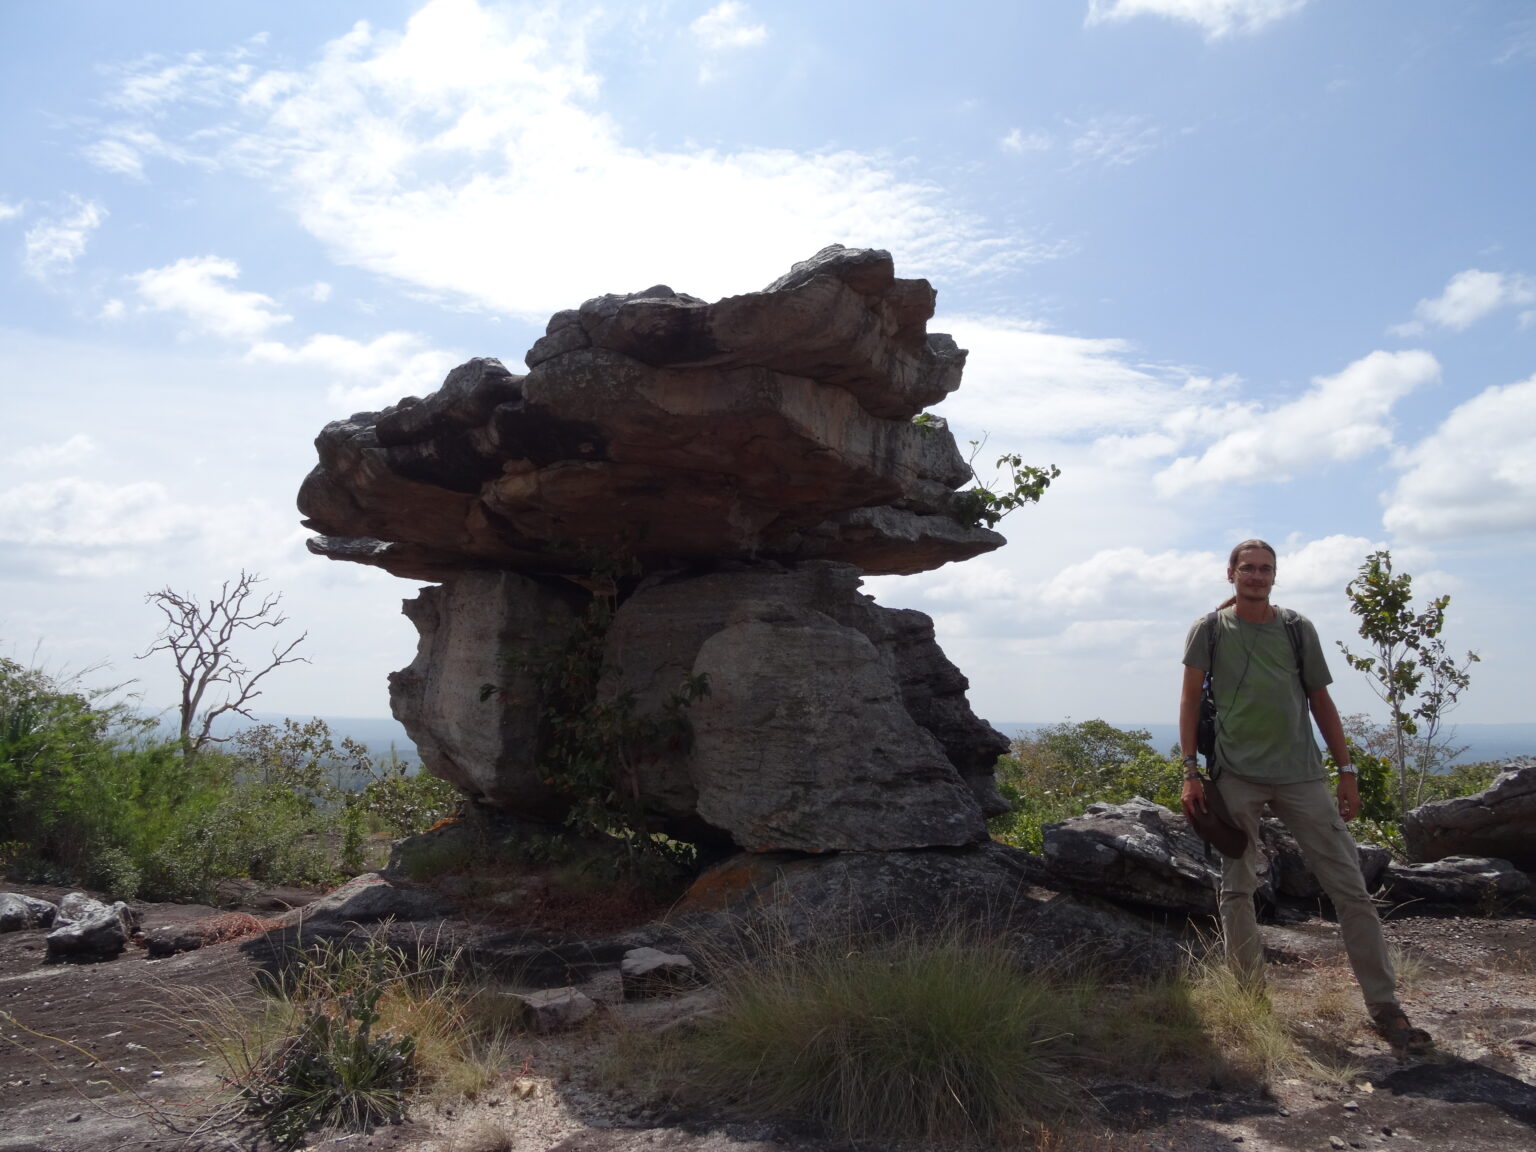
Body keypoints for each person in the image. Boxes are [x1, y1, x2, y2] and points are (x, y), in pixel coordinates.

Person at [1178, 538, 1431, 1052]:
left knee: (1351, 889)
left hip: (1301, 774)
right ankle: (1250, 1003)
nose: (1256, 575)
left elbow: (1321, 700)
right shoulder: (1208, 629)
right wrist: (1190, 772)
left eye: (1264, 568)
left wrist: (1347, 770)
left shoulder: (1296, 629)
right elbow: (1188, 699)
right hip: (1235, 776)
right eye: (1247, 568)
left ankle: (1385, 1008)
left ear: (1275, 575)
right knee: (1237, 888)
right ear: (1230, 574)